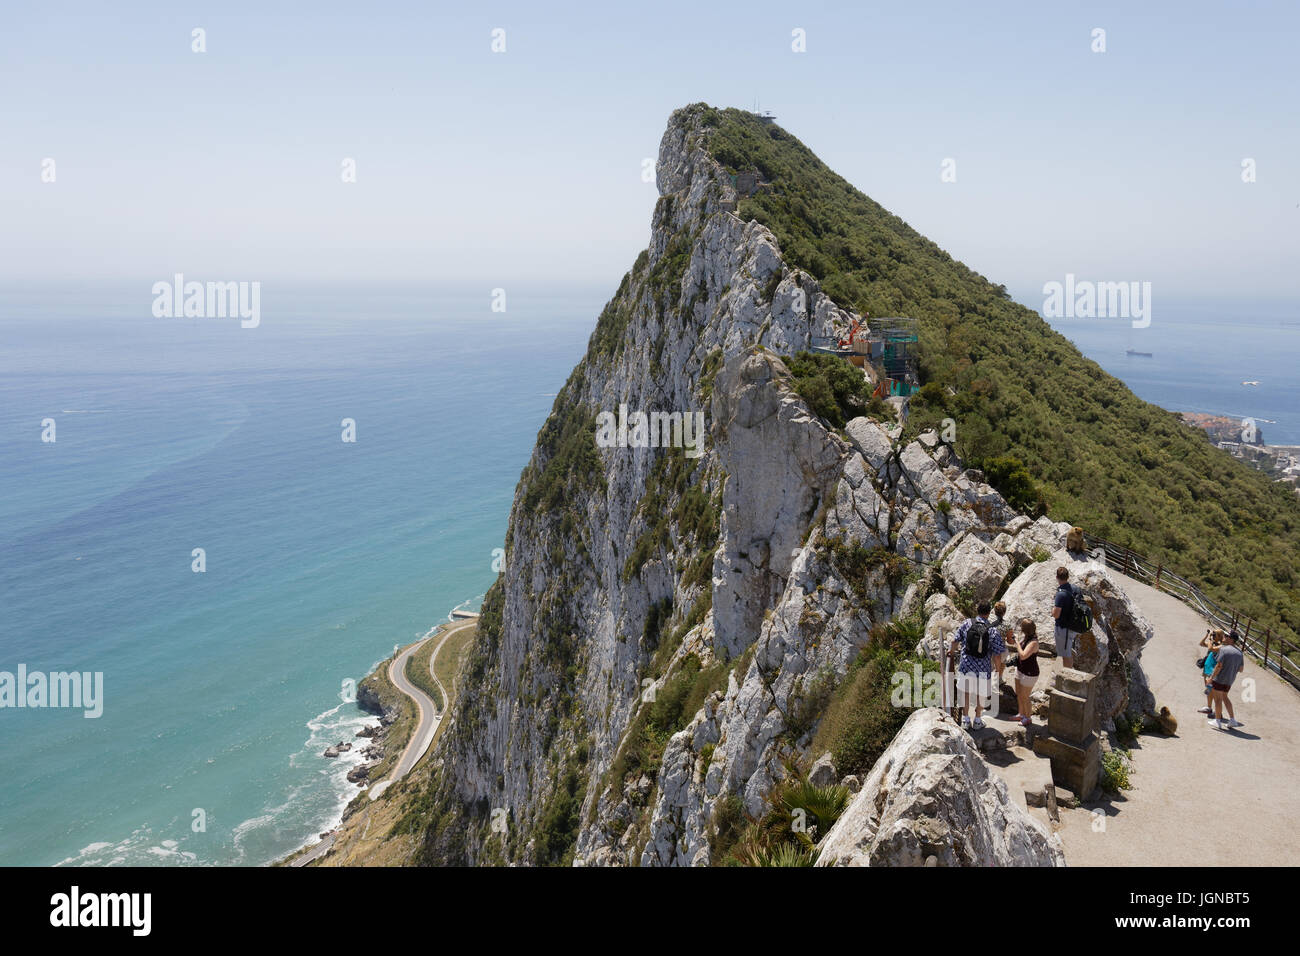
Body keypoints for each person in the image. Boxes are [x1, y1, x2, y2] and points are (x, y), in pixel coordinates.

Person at [948, 601, 1006, 730]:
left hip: (966, 665)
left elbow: (955, 640)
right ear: (989, 612)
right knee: (981, 694)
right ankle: (978, 719)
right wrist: (997, 670)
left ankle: (965, 720)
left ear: (977, 610)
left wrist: (951, 652)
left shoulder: (967, 623)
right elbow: (997, 654)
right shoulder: (992, 629)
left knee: (966, 692)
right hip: (984, 668)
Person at [1207, 630, 1245, 730]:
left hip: (1219, 679)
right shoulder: (1240, 653)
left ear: (1231, 639)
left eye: (1227, 635)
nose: (1224, 637)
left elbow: (1219, 666)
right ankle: (1232, 720)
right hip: (1229, 680)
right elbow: (1241, 669)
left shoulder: (1224, 650)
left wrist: (1211, 678)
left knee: (1218, 700)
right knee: (1225, 697)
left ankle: (1217, 721)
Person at [1010, 619, 1041, 726]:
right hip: (1020, 669)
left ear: (1024, 630)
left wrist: (1017, 642)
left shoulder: (1033, 642)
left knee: (1025, 696)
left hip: (1030, 673)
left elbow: (1023, 656)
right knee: (1019, 693)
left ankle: (1028, 718)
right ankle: (1021, 714)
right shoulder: (1027, 637)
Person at [1051, 566, 1080, 670]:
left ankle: (1066, 677)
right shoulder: (1076, 589)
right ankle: (1065, 673)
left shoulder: (1061, 594)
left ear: (1057, 577)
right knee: (1067, 651)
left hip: (1063, 628)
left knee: (1065, 654)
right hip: (1073, 626)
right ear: (1068, 577)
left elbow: (1056, 614)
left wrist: (1052, 610)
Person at [1196, 629, 1221, 715]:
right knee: (1209, 690)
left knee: (1213, 691)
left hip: (1212, 671)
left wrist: (1210, 640)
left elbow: (1211, 648)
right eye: (1213, 635)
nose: (1213, 636)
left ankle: (1217, 711)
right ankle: (1209, 707)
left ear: (1220, 637)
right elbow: (1201, 643)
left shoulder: (1220, 646)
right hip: (1207, 669)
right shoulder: (1213, 643)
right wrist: (1207, 636)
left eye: (1215, 635)